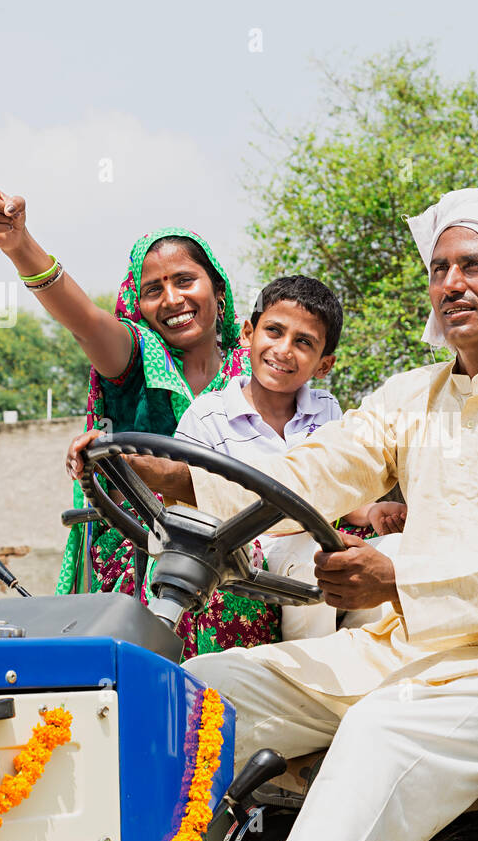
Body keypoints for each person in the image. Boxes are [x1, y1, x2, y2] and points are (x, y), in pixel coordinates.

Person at [67, 187, 478, 841]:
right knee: (193, 691)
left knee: (375, 730)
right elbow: (314, 469)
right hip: (389, 651)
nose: (450, 283)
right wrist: (181, 479)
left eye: (474, 266)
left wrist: (397, 580)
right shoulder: (411, 395)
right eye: (439, 269)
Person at [0, 158, 266, 648]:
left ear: (218, 288)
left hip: (245, 557)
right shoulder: (135, 356)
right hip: (149, 557)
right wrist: (20, 246)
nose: (171, 299)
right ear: (137, 303)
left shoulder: (257, 369)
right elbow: (82, 318)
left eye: (185, 280)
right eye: (153, 289)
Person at [173, 274, 407, 656]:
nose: (283, 350)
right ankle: (311, 668)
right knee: (310, 553)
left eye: (303, 342)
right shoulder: (207, 416)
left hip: (322, 537)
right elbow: (190, 503)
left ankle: (368, 663)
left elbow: (341, 490)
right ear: (248, 333)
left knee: (394, 549)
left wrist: (375, 512)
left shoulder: (327, 410)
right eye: (274, 331)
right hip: (252, 555)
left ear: (324, 364)